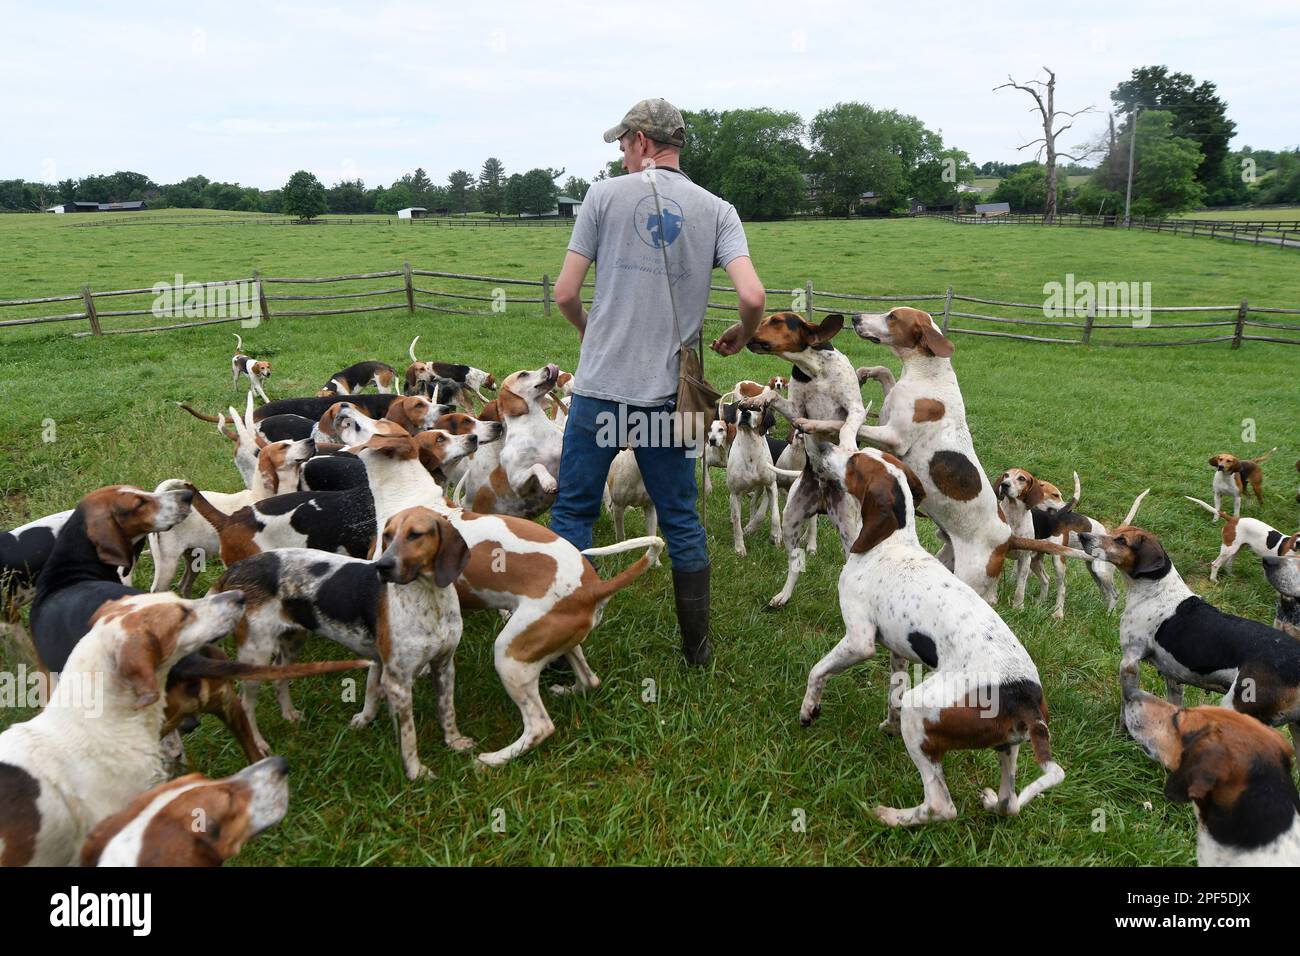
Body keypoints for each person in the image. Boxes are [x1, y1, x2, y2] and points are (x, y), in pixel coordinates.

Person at [551, 97, 766, 666]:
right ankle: (697, 652)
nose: (622, 155)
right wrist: (743, 336)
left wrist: (591, 334)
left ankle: (560, 647)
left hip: (600, 391)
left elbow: (566, 295)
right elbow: (753, 297)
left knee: (574, 513)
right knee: (682, 518)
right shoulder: (719, 210)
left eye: (624, 144)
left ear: (642, 141)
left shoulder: (600, 196)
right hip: (672, 399)